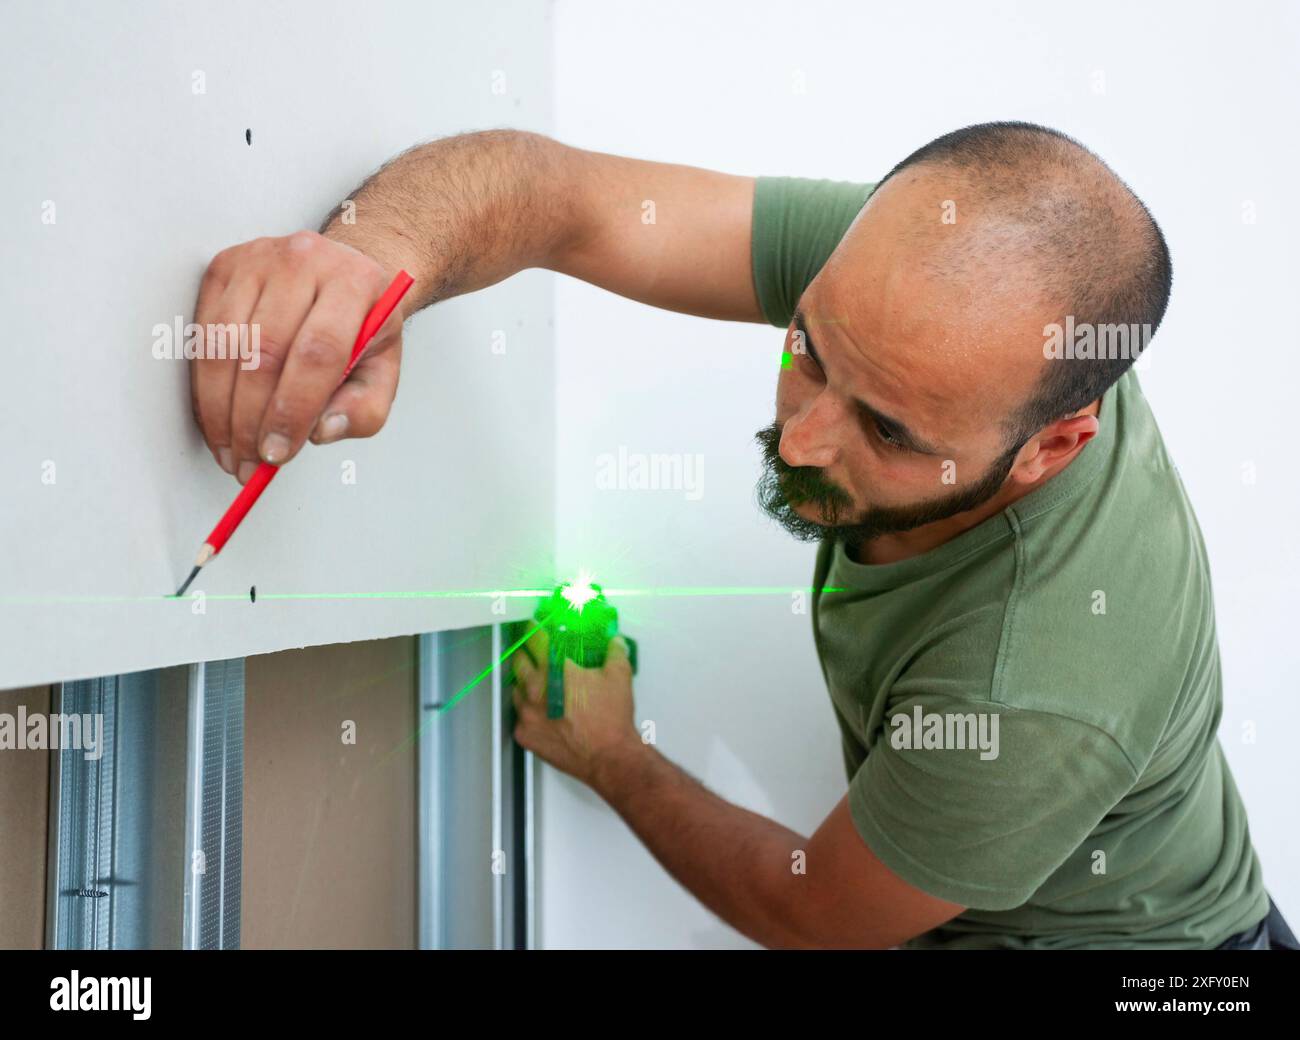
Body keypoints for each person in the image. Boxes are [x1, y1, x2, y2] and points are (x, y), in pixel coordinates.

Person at [189, 121, 1286, 949]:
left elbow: (811, 906)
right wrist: (372, 260)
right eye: (808, 345)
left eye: (888, 429)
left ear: (1053, 445)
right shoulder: (923, 287)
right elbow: (568, 200)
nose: (801, 438)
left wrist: (613, 755)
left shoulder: (1036, 687)